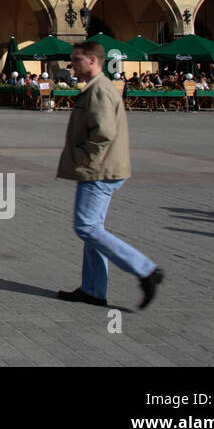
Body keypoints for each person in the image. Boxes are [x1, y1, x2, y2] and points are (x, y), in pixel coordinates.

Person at [56, 40, 163, 309]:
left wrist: (81, 157)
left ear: (93, 61)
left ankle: (146, 270)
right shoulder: (96, 88)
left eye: (77, 60)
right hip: (102, 168)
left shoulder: (100, 91)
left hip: (100, 170)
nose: (73, 65)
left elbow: (103, 133)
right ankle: (93, 290)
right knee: (94, 229)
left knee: (86, 227)